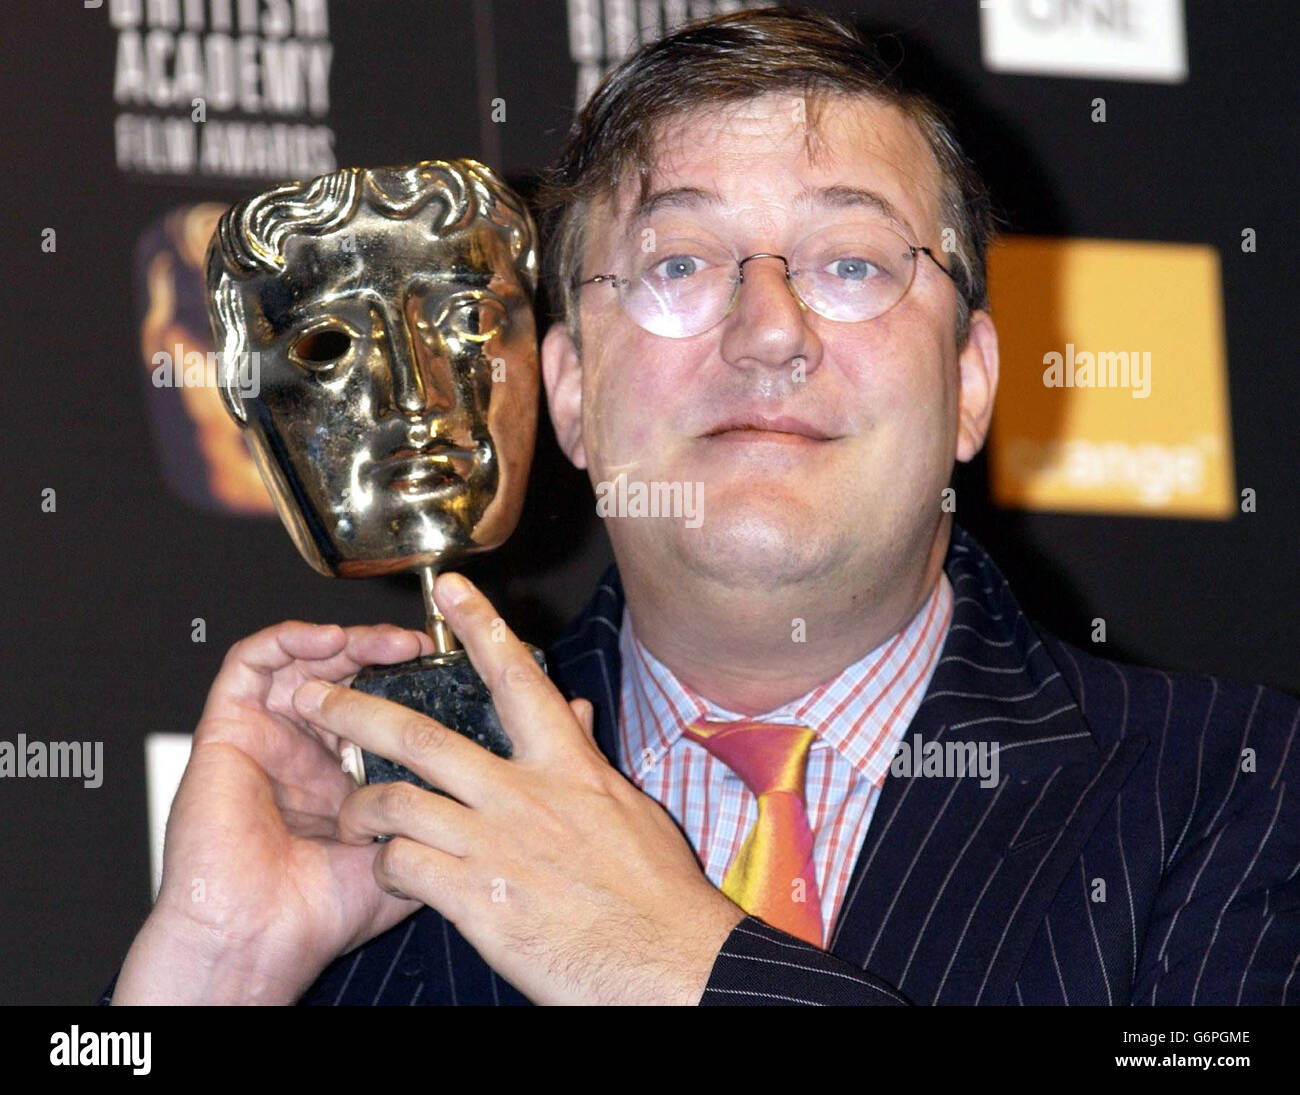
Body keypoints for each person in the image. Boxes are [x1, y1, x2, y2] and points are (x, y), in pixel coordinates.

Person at [106, 8, 1299, 1006]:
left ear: (972, 382)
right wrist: (212, 972)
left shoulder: (1241, 791)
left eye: (851, 264)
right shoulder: (380, 835)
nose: (768, 330)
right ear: (566, 392)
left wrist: (677, 967)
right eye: (678, 265)